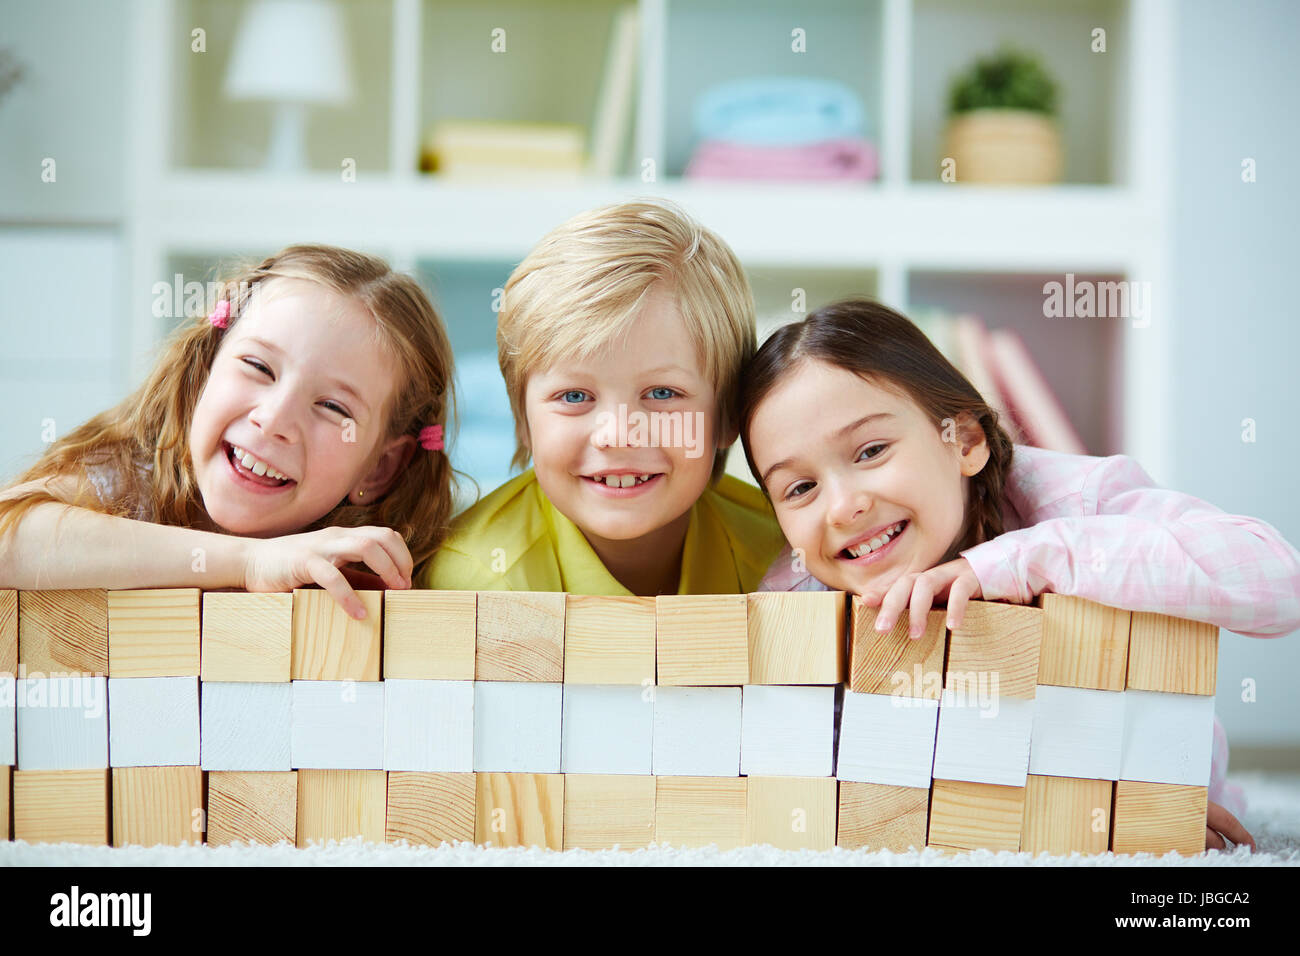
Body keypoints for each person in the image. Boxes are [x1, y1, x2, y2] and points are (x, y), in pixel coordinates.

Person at [740, 298, 1300, 853]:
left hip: (1149, 783)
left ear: (964, 441)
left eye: (871, 450)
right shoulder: (796, 597)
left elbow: (1277, 584)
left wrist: (1017, 561)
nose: (842, 507)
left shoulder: (1075, 501)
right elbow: (805, 781)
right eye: (800, 488)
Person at [0, 244, 459, 619]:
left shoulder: (364, 573)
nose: (275, 420)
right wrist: (248, 562)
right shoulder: (131, 479)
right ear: (204, 372)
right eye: (259, 366)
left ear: (378, 469)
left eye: (333, 407)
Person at [422, 200, 784, 595]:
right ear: (523, 421)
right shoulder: (477, 584)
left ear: (728, 413)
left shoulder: (785, 566)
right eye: (575, 395)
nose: (617, 434)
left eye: (662, 393)